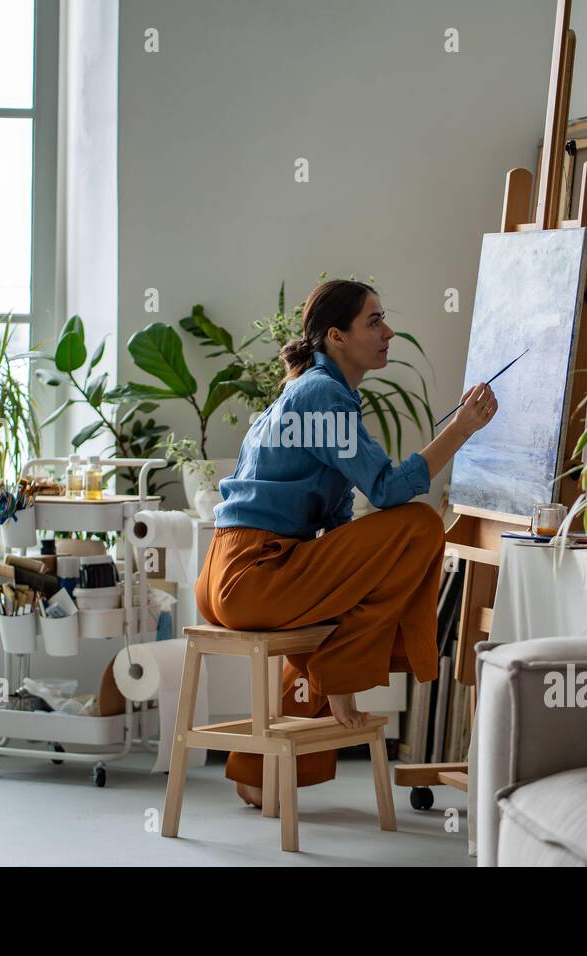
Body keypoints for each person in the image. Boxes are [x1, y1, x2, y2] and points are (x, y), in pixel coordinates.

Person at [195, 278, 498, 807]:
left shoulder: (314, 391)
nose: (389, 332)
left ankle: (256, 772)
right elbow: (385, 489)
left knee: (367, 579)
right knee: (421, 526)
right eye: (374, 322)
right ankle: (338, 671)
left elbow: (336, 518)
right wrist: (462, 429)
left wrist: (359, 585)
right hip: (254, 574)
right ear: (336, 336)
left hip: (233, 571)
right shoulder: (322, 396)